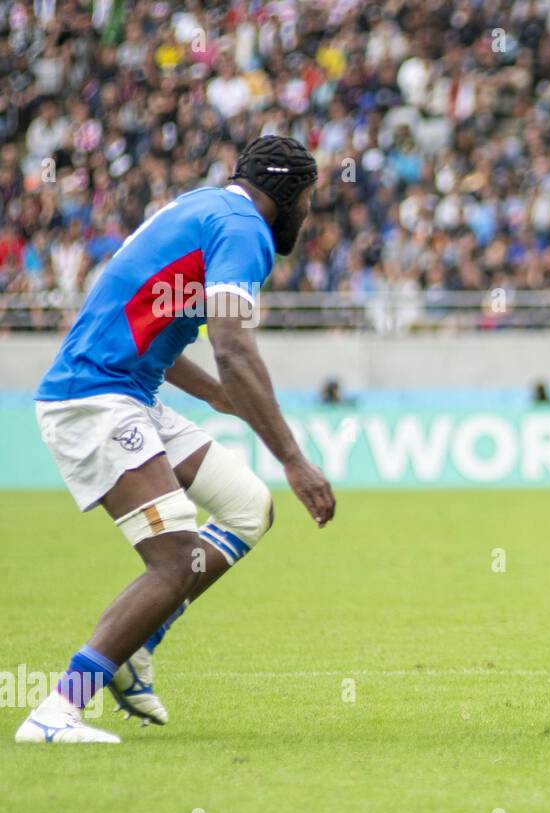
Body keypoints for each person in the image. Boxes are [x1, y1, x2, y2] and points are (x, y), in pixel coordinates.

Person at [18, 135, 337, 744]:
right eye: (310, 200)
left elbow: (145, 318)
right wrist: (295, 461)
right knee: (173, 559)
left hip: (128, 387)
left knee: (247, 506)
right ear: (290, 196)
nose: (309, 214)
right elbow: (234, 346)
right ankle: (56, 712)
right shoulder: (246, 232)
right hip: (95, 397)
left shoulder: (203, 208)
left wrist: (220, 397)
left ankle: (140, 642)